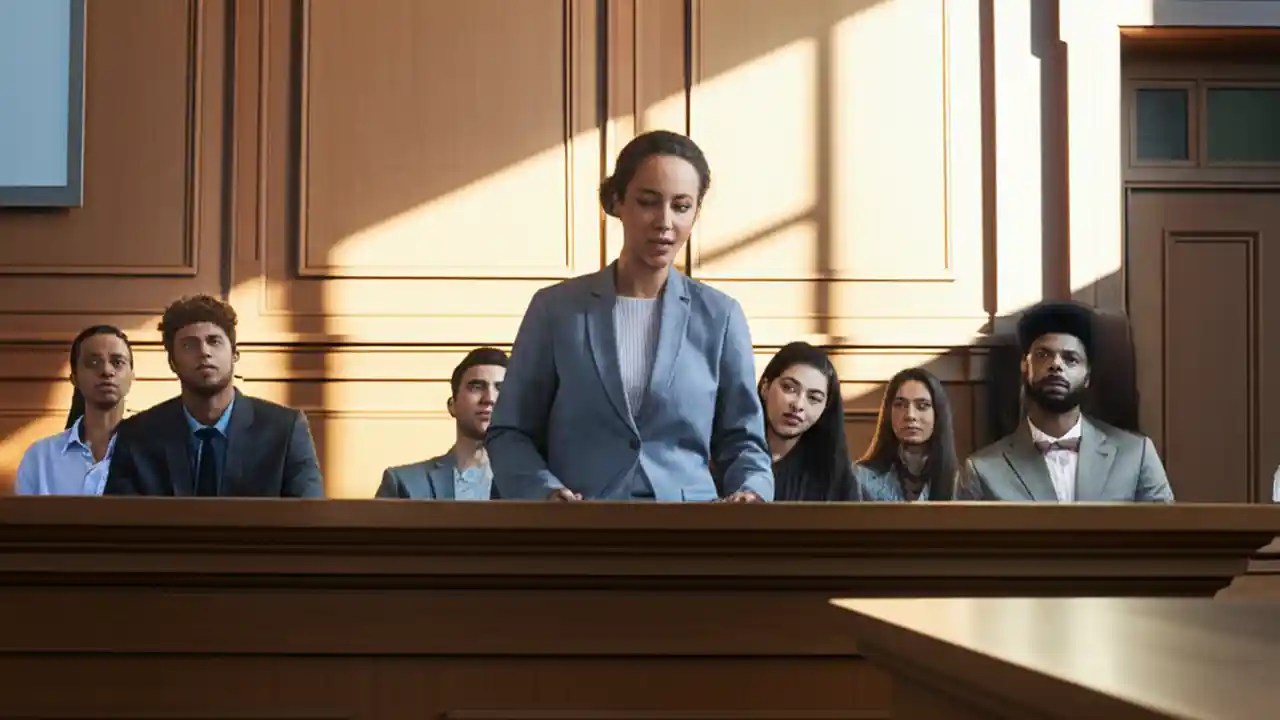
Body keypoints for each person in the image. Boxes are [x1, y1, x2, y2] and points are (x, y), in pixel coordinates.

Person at [487, 130, 772, 502]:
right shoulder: (556, 309)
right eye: (648, 202)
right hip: (579, 527)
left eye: (681, 206)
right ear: (618, 201)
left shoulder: (721, 316)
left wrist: (752, 490)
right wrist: (545, 492)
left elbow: (744, 441)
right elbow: (510, 432)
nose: (664, 221)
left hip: (690, 534)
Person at [105, 295, 323, 497]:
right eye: (189, 345)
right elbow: (119, 526)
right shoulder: (137, 435)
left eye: (214, 341)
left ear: (234, 354)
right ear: (172, 362)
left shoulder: (285, 430)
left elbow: (309, 521)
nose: (204, 352)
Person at [962, 300, 1174, 502]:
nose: (1056, 365)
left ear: (1088, 376)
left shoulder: (1136, 455)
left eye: (1071, 359)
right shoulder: (982, 470)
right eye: (1043, 355)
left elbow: (1166, 534)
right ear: (1025, 367)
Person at [16, 325, 134, 495]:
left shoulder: (152, 455)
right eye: (93, 362)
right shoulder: (40, 457)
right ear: (74, 377)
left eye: (117, 362)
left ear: (132, 375)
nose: (107, 371)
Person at [377, 347, 506, 499]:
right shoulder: (404, 484)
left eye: (501, 388)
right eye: (476, 387)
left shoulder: (534, 487)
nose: (489, 398)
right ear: (452, 405)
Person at [756, 342, 854, 501]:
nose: (798, 405)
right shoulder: (729, 457)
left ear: (825, 408)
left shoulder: (836, 477)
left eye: (814, 398)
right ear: (765, 388)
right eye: (789, 388)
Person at [852, 368, 961, 501]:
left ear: (937, 413)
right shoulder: (861, 477)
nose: (910, 415)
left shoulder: (959, 481)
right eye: (900, 405)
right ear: (888, 413)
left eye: (922, 406)